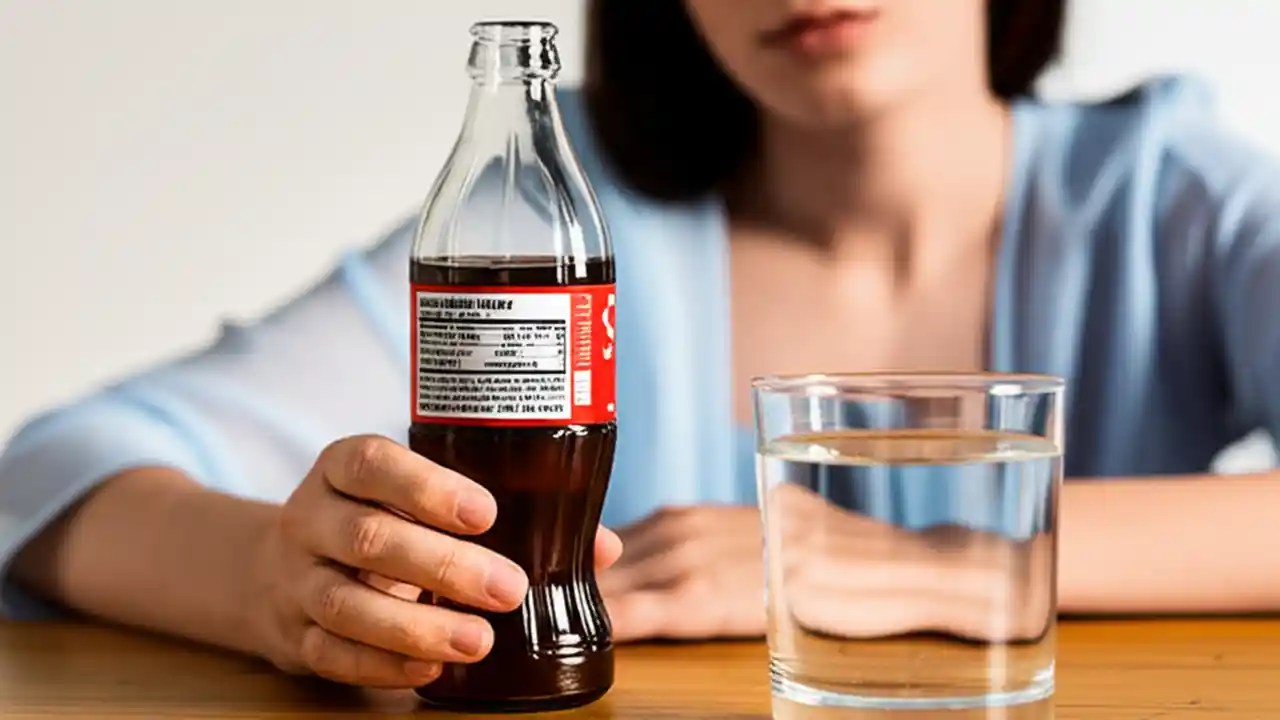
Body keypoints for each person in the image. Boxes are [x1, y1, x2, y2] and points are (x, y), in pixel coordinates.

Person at [3, 0, 1278, 690]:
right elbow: (50, 474)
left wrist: (941, 566)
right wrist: (278, 587)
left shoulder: (1178, 198)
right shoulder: (554, 225)